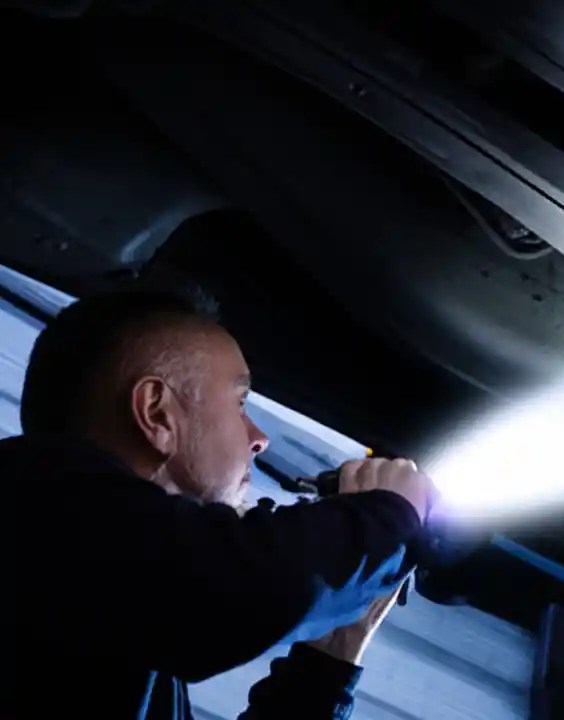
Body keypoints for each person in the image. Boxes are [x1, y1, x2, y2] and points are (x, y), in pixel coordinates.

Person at [0, 287, 437, 718]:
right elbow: (237, 583)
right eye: (240, 402)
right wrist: (389, 514)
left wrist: (329, 657)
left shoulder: (118, 614)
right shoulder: (25, 498)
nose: (259, 439)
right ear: (156, 412)